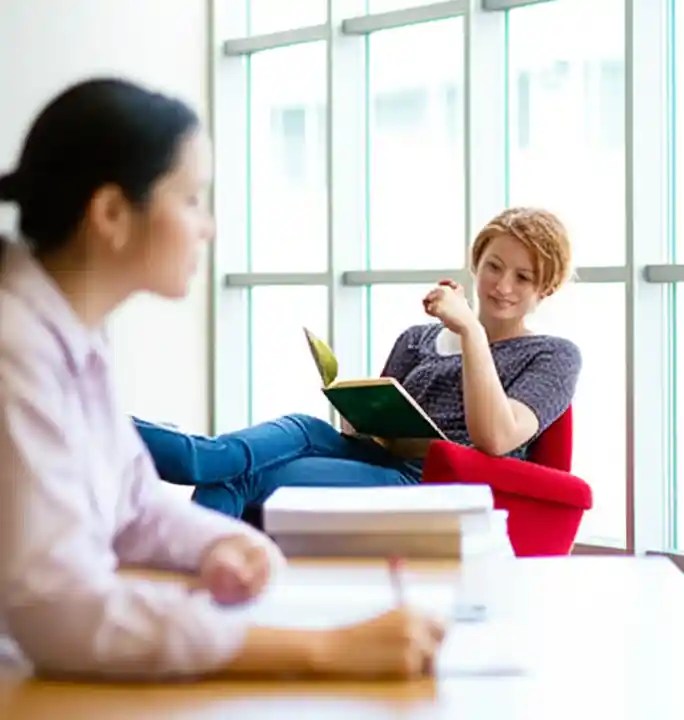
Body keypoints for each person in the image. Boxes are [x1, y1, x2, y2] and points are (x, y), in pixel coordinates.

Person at [0, 78, 443, 680]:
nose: (206, 227)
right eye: (191, 199)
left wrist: (220, 543)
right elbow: (59, 610)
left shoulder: (74, 333)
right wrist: (318, 650)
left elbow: (133, 506)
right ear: (109, 214)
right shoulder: (16, 347)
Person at [134, 206, 581, 520]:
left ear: (546, 290)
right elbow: (361, 435)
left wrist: (471, 332)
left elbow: (497, 437)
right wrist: (359, 405)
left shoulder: (553, 356)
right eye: (493, 267)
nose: (502, 285)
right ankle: (150, 441)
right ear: (475, 265)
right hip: (375, 459)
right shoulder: (418, 337)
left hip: (428, 483)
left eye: (523, 277)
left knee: (234, 479)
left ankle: (192, 605)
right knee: (278, 435)